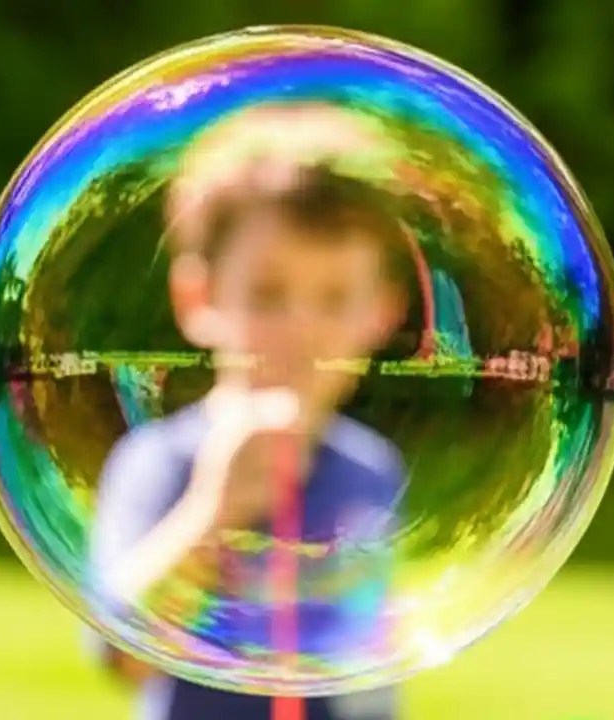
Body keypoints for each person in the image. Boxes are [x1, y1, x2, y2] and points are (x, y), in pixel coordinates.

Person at [87, 102, 411, 720]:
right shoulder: (161, 461)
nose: (302, 329)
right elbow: (120, 656)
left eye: (336, 297)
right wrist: (212, 510)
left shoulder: (371, 468)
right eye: (267, 294)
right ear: (199, 297)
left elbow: (370, 667)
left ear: (383, 311)